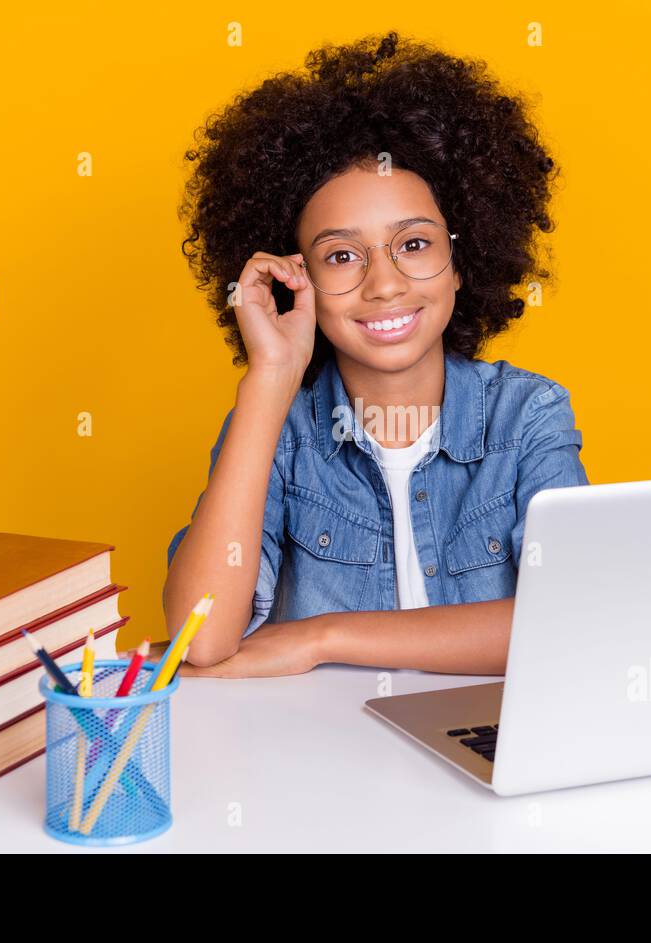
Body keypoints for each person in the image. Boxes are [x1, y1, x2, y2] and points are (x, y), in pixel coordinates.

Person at [165, 32, 588, 678]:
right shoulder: (280, 432)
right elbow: (199, 636)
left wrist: (323, 636)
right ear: (293, 276)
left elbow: (569, 619)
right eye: (341, 255)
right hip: (327, 765)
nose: (384, 283)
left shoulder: (527, 417)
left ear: (461, 261)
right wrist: (270, 379)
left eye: (414, 245)